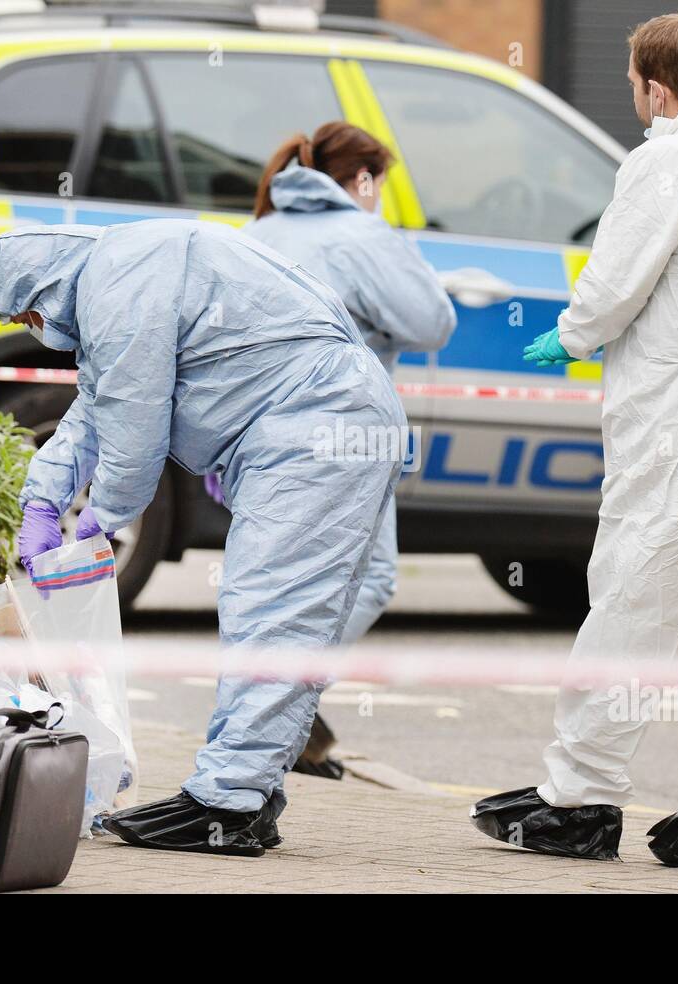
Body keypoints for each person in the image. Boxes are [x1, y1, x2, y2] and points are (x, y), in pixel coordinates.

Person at [472, 11, 678, 873]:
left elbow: (617, 279)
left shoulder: (667, 158)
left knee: (635, 591)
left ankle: (581, 797)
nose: (634, 101)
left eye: (633, 86)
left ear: (657, 87)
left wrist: (574, 335)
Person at [0, 218, 406, 856]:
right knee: (273, 615)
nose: (35, 331)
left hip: (317, 429)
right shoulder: (117, 274)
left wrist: (108, 514)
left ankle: (225, 804)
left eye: (27, 317)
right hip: (318, 421)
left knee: (272, 612)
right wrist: (41, 501)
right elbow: (93, 410)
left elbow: (133, 422)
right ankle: (248, 794)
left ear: (42, 289)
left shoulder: (118, 285)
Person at [236, 122, 457, 776]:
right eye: (381, 186)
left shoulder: (262, 230)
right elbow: (432, 322)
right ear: (364, 180)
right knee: (367, 577)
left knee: (275, 580)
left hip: (258, 435)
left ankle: (273, 708)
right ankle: (272, 695)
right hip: (343, 434)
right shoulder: (362, 236)